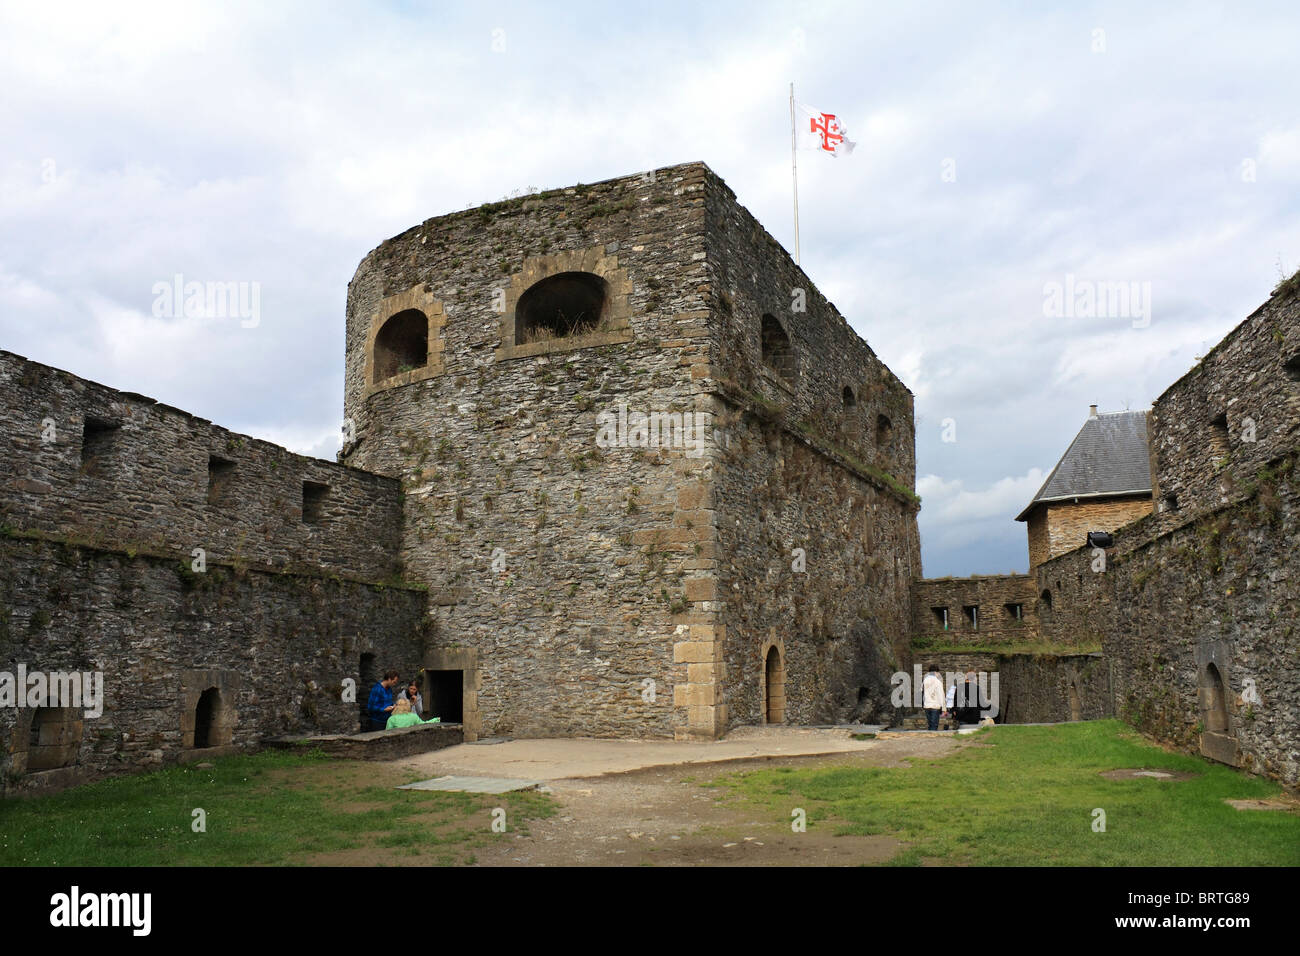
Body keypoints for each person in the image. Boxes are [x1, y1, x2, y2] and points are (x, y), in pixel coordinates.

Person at [922, 666, 944, 731]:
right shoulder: (938, 681)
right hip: (935, 706)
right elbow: (941, 695)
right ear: (936, 672)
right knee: (934, 725)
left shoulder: (924, 681)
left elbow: (922, 692)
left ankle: (928, 739)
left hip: (927, 705)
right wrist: (944, 708)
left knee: (930, 724)